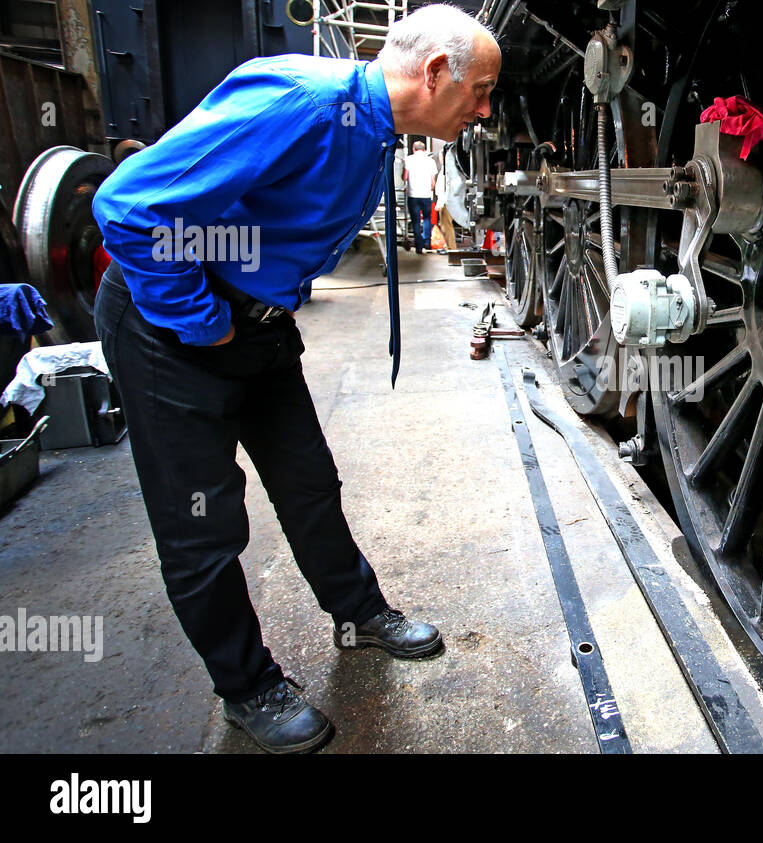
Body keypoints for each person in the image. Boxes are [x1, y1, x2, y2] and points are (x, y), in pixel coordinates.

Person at [90, 4, 500, 753]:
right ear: (436, 73)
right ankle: (247, 685)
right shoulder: (302, 103)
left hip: (259, 326)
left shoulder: (375, 129)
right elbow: (127, 208)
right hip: (172, 326)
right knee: (203, 525)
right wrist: (203, 317)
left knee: (309, 481)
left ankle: (358, 612)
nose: (484, 109)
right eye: (481, 92)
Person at [403, 140, 436, 253]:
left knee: (416, 221)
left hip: (413, 195)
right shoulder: (430, 161)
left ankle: (418, 247)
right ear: (425, 150)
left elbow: (404, 177)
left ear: (413, 149)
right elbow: (433, 183)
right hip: (426, 195)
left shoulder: (408, 159)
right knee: (427, 219)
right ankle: (427, 243)